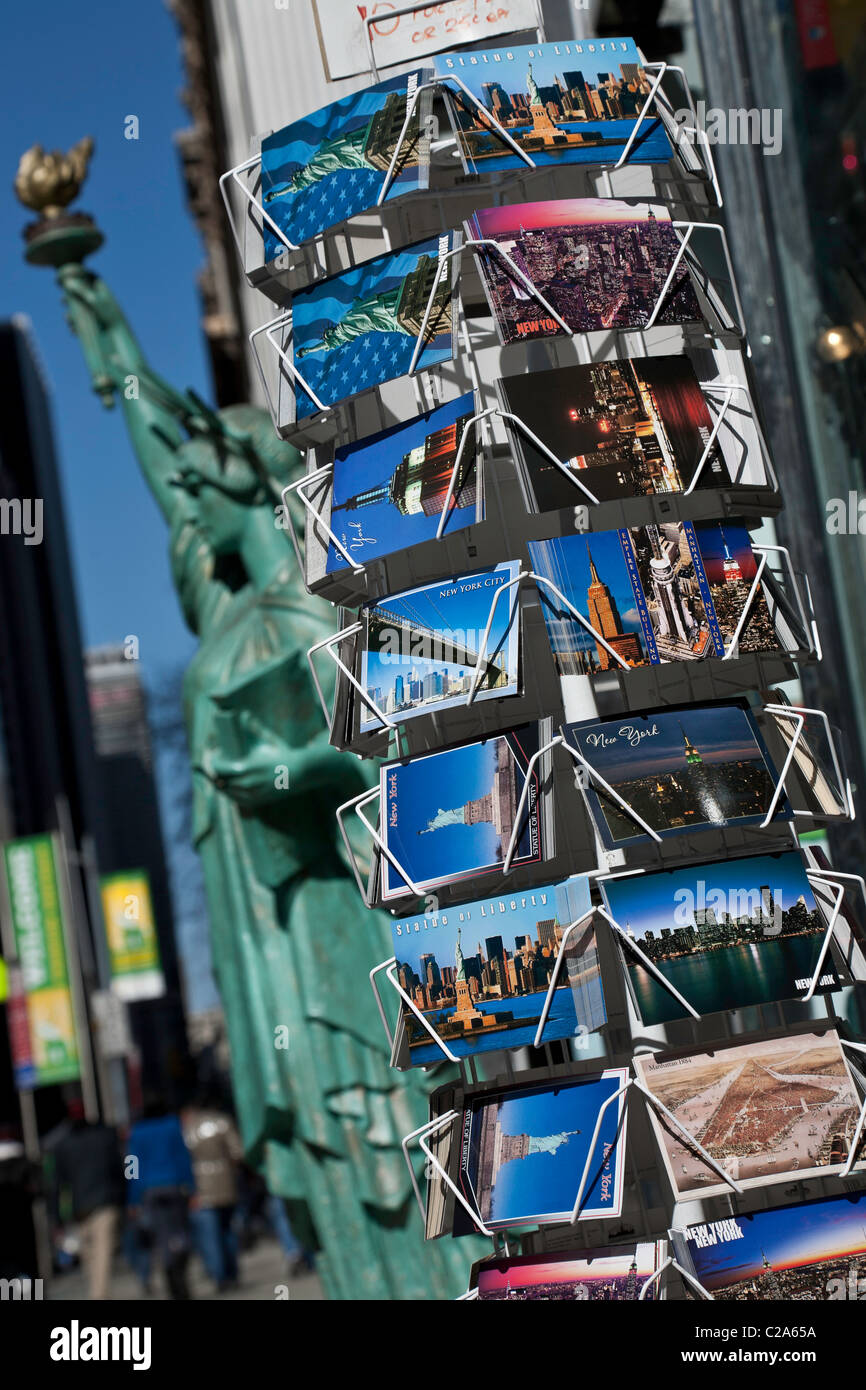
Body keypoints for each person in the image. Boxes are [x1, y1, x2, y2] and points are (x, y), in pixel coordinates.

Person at [52, 1099, 124, 1300]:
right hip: (103, 1201)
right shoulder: (104, 1137)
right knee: (99, 1251)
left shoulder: (62, 1145)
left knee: (91, 1253)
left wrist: (56, 1216)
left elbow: (56, 1184)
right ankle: (98, 1293)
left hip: (81, 1206)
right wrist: (125, 1197)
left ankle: (98, 1293)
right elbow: (121, 1167)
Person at [127, 1097, 195, 1300]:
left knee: (162, 1236)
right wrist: (191, 1186)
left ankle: (171, 1274)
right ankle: (180, 1271)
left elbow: (132, 1165)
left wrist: (133, 1198)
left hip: (149, 1191)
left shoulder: (137, 1132)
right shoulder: (172, 1125)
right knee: (180, 1231)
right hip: (174, 1186)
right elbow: (183, 1157)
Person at [182, 1086, 243, 1292]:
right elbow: (237, 1152)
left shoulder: (187, 1128)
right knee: (228, 1231)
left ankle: (219, 1275)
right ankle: (232, 1272)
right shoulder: (223, 1122)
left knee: (209, 1236)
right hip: (225, 1181)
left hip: (200, 1185)